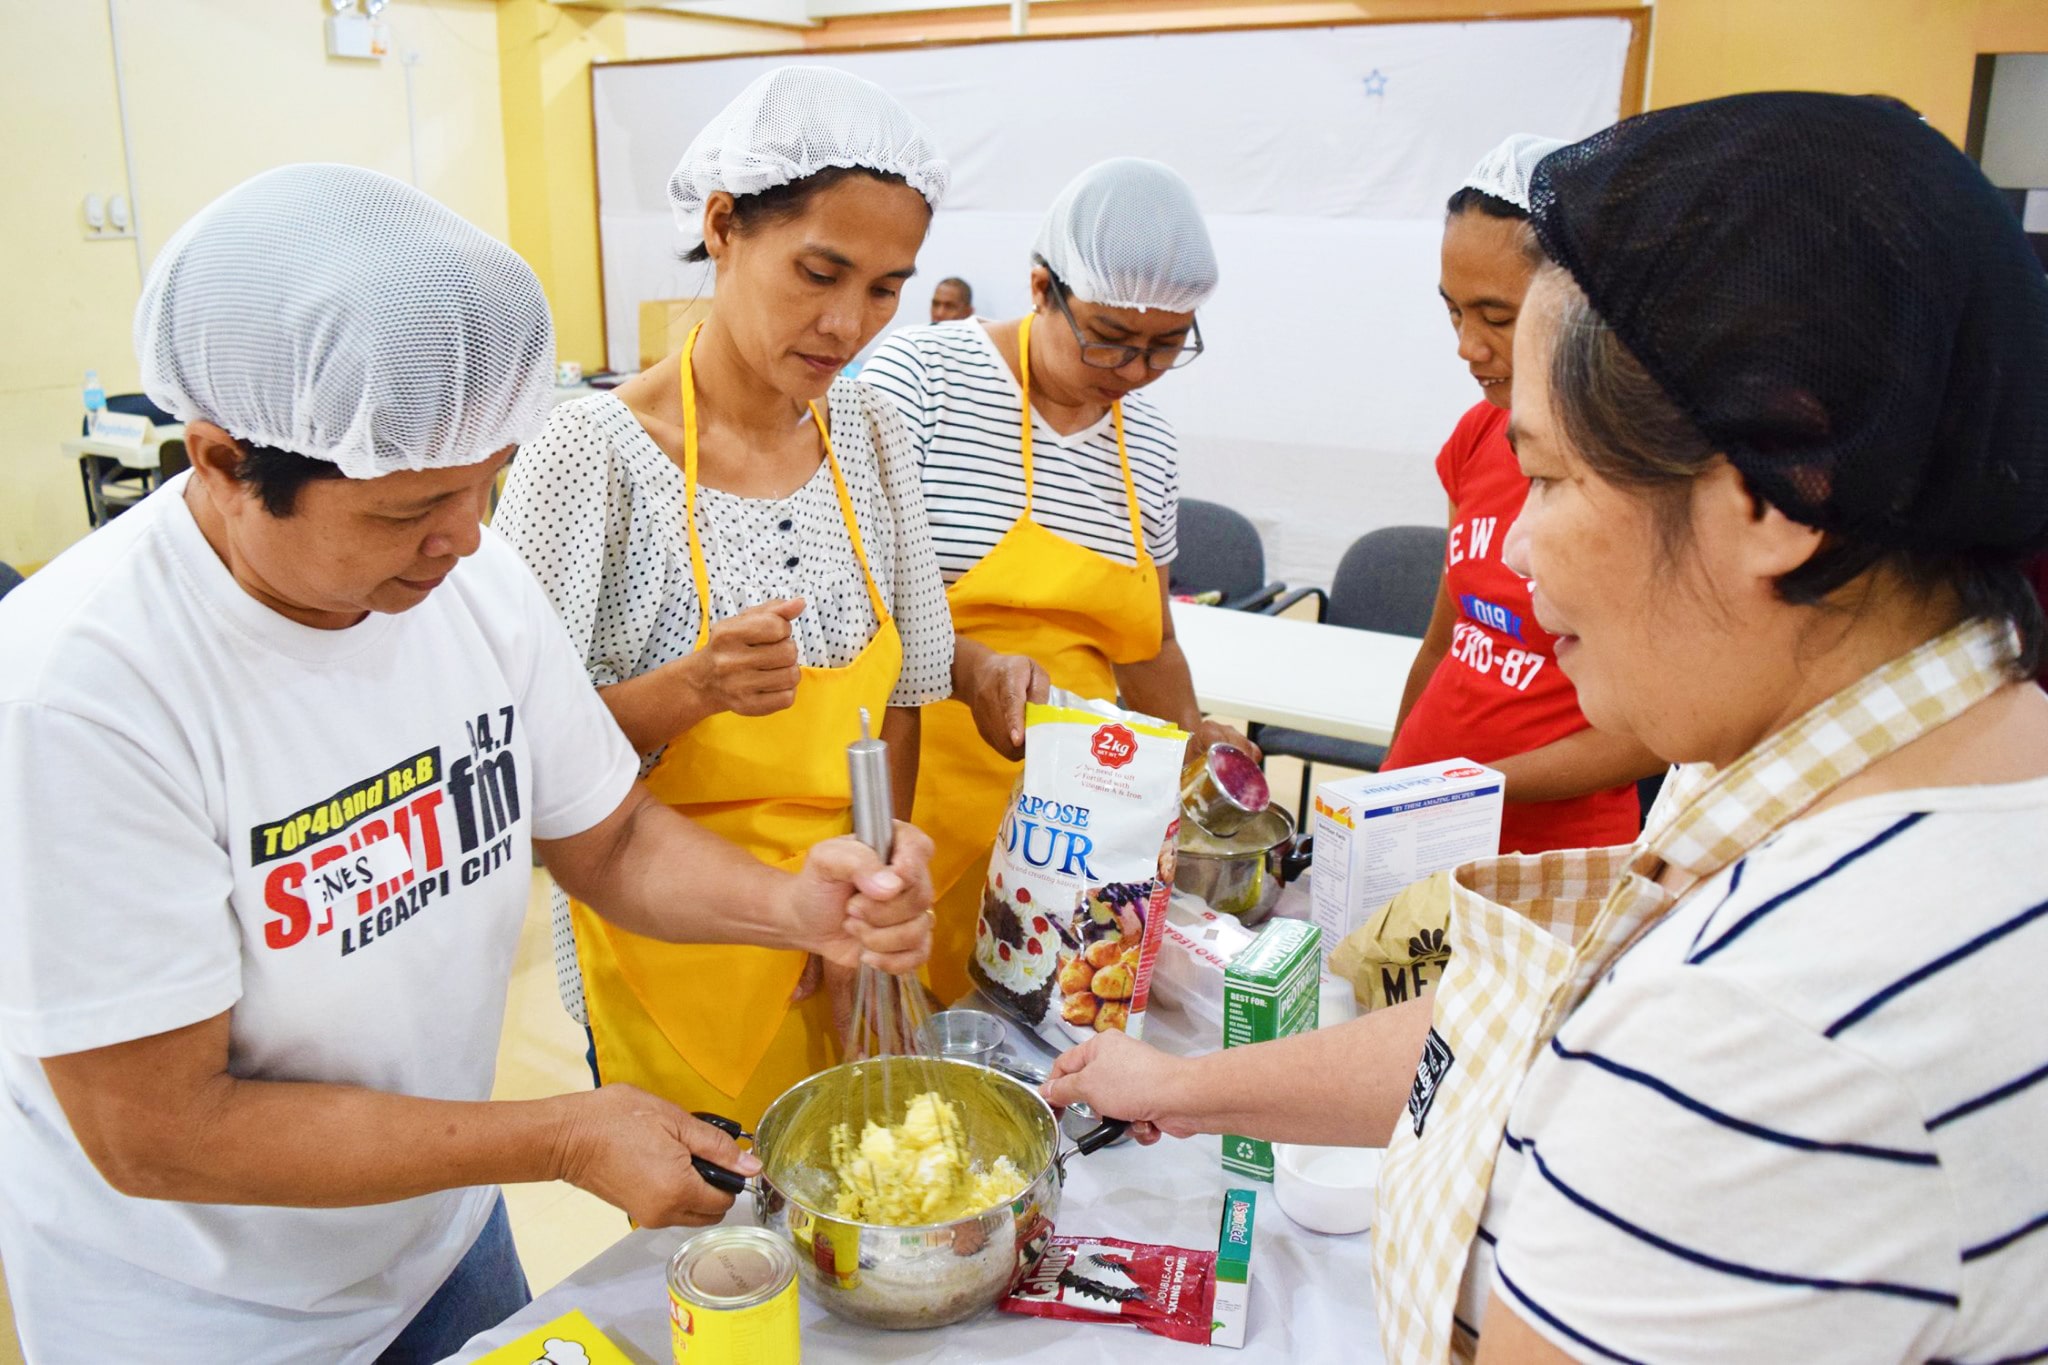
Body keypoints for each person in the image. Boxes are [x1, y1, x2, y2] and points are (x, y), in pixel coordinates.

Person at [1045, 94, 2048, 1363]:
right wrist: (1183, 1090)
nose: (1513, 550)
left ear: (1774, 496)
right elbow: (1529, 1024)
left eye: (1555, 478)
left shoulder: (1754, 1040)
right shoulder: (1886, 768)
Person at [0, 164, 934, 1364]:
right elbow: (158, 1129)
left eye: (481, 487)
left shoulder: (468, 578)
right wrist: (554, 1137)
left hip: (439, 1240)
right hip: (209, 1314)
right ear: (225, 463)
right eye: (403, 514)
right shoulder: (79, 693)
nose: (457, 540)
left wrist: (791, 906)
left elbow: (607, 833)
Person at [491, 67, 954, 1130]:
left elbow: (906, 698)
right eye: (818, 272)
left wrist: (875, 909)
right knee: (713, 1265)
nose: (847, 323)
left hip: (841, 949)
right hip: (674, 957)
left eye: (884, 288)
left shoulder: (872, 438)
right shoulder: (591, 456)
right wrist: (687, 688)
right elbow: (514, 761)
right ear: (724, 227)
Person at [861, 158, 1254, 1003]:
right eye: (1110, 337)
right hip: (916, 792)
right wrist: (969, 667)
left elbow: (1146, 643)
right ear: (1042, 287)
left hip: (1077, 828)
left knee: (1048, 1027)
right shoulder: (920, 384)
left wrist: (1192, 739)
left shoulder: (1144, 439)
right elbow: (856, 610)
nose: (1136, 369)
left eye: (1166, 345)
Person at [1383, 134, 1661, 853]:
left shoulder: (1636, 465)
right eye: (1453, 312)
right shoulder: (1478, 435)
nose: (1467, 345)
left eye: (1497, 318)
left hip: (1545, 843)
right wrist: (1393, 778)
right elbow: (1448, 639)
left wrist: (1477, 784)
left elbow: (1653, 733)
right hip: (1424, 816)